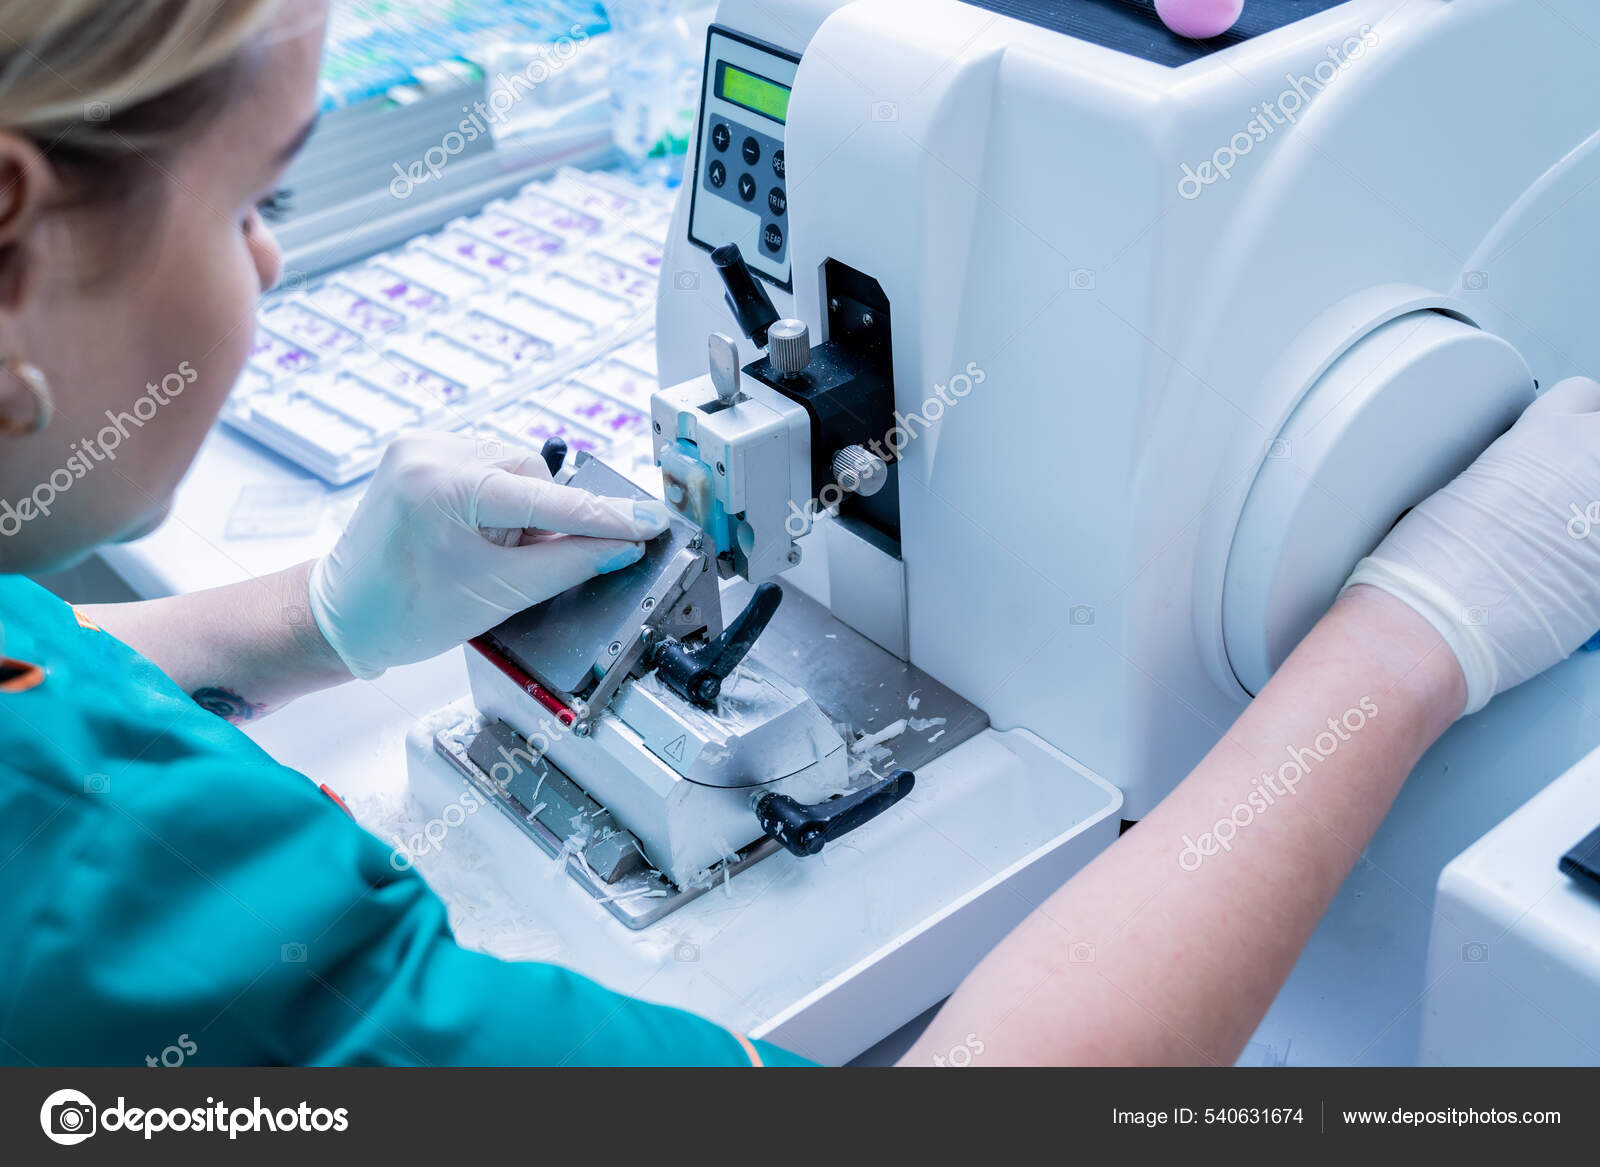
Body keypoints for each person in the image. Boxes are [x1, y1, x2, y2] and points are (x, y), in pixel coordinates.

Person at [1, 0, 1597, 1067]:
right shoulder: (130, 894)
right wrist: (1407, 642)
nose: (267, 268)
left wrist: (298, 624)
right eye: (244, 207)